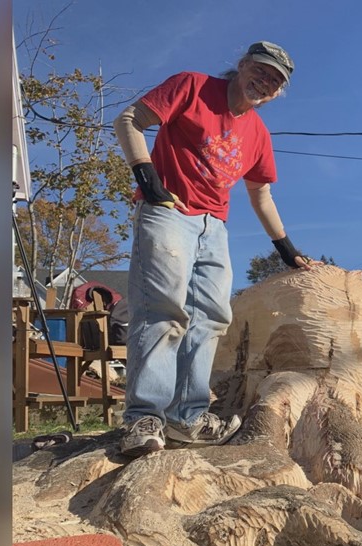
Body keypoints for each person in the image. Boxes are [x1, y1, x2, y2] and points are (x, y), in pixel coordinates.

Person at [112, 40, 319, 457]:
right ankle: (144, 418)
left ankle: (186, 417)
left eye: (274, 81)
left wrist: (286, 248)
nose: (264, 82)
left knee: (211, 317)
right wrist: (145, 174)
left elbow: (261, 196)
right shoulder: (192, 86)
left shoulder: (258, 133)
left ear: (278, 93)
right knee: (164, 309)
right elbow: (130, 119)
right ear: (242, 66)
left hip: (214, 226)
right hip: (169, 210)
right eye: (260, 71)